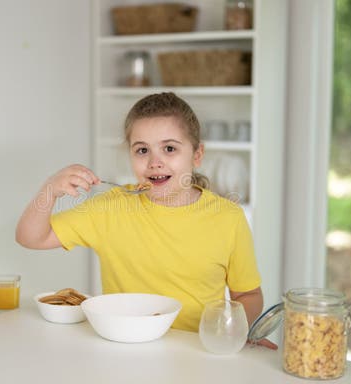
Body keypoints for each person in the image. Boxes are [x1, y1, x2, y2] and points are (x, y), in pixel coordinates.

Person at [16, 92, 275, 348]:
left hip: (197, 352)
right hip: (123, 347)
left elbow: (248, 295)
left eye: (169, 148)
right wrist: (50, 189)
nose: (155, 162)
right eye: (142, 150)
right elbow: (31, 237)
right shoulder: (110, 207)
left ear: (197, 155)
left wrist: (239, 330)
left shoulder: (228, 218)